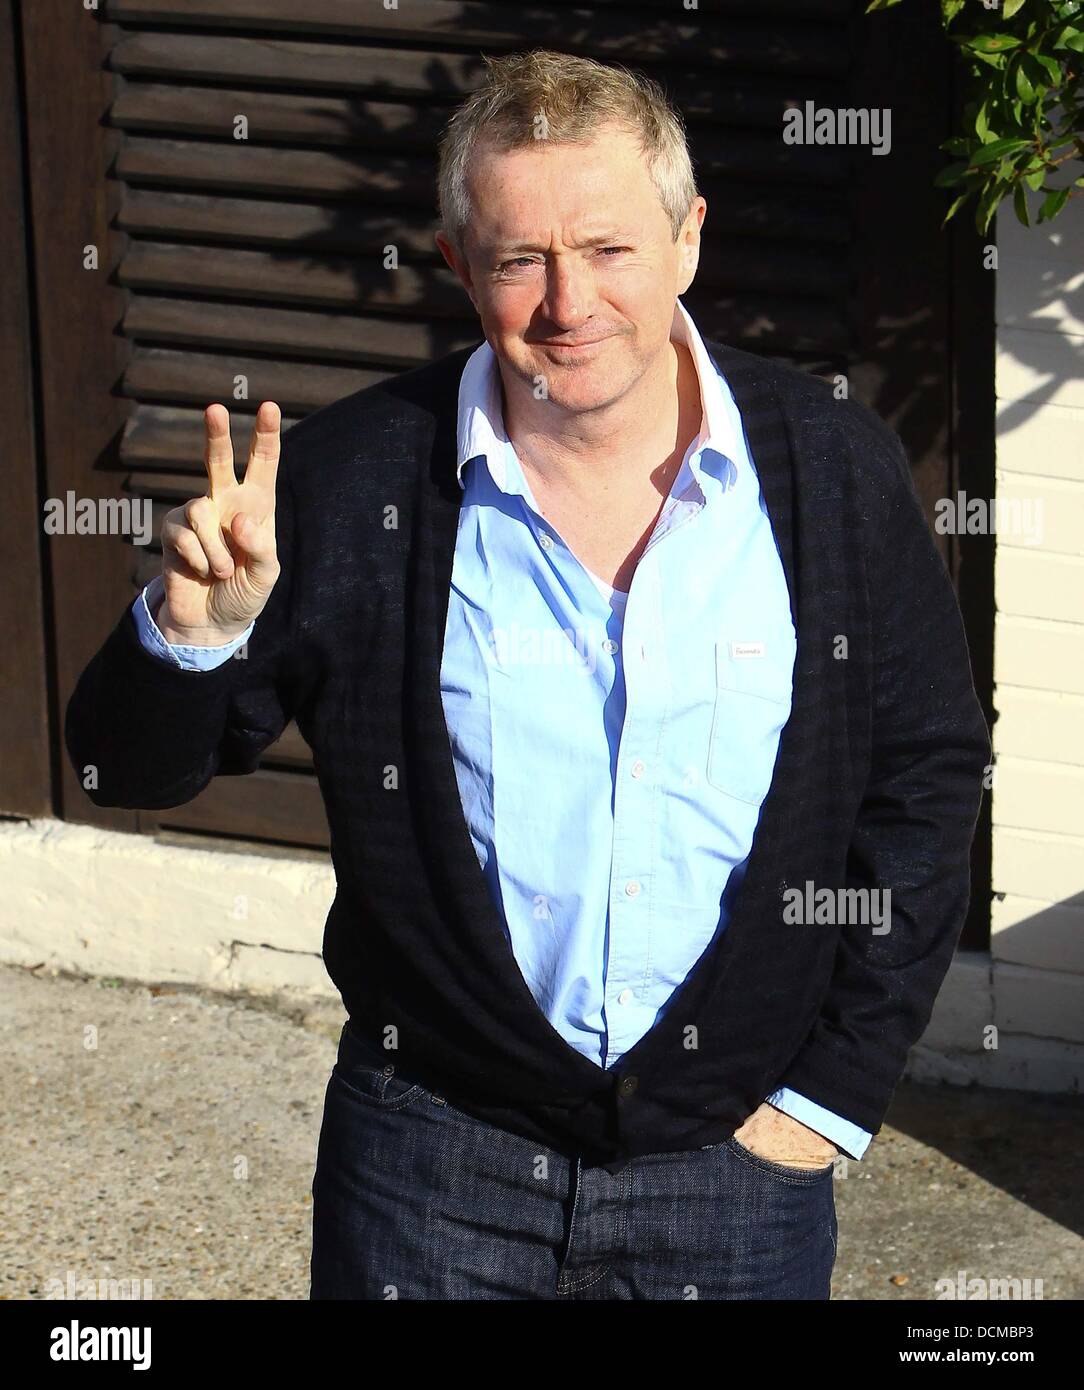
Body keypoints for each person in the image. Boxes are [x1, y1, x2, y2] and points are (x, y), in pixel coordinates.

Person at [66, 49, 991, 1300]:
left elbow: (927, 776)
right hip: (431, 1169)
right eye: (519, 260)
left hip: (735, 1180)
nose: (570, 303)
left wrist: (827, 1098)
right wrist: (195, 630)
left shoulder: (830, 468)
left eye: (609, 249)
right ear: (459, 265)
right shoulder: (353, 482)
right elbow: (124, 766)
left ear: (687, 240)